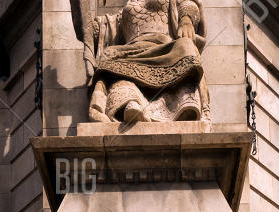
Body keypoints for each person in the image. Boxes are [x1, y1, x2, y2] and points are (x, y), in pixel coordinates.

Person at [77, 0, 210, 125]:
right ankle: (130, 101)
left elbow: (187, 3)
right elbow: (91, 30)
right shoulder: (124, 12)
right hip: (133, 51)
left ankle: (183, 103)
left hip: (165, 49)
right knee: (110, 55)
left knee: (186, 46)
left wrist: (186, 19)